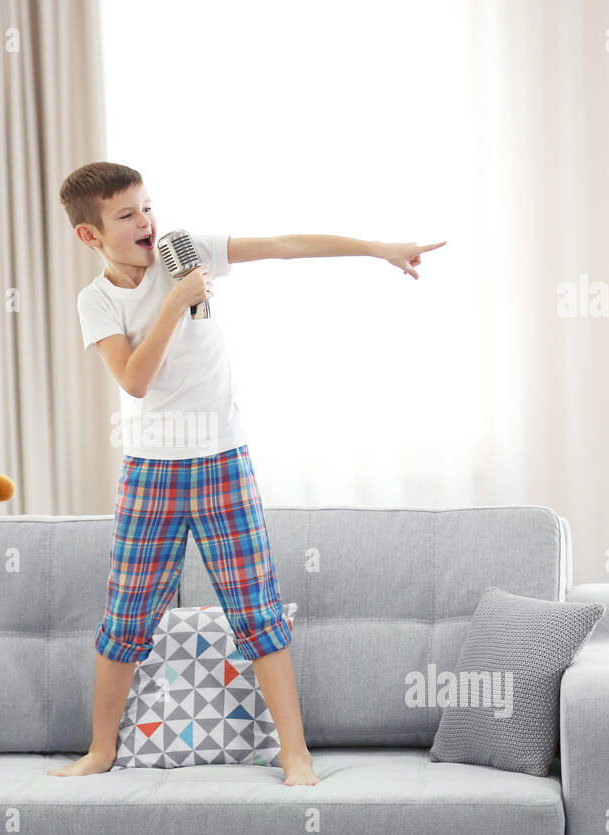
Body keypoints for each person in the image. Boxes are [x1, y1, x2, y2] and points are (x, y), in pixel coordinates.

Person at [49, 161, 444, 786]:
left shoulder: (186, 252)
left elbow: (284, 248)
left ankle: (296, 753)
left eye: (147, 206)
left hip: (221, 465)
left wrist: (376, 249)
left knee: (257, 611)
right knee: (125, 619)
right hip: (151, 474)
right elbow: (135, 379)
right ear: (90, 236)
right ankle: (102, 750)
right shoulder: (96, 300)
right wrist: (176, 304)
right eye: (126, 215)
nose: (147, 222)